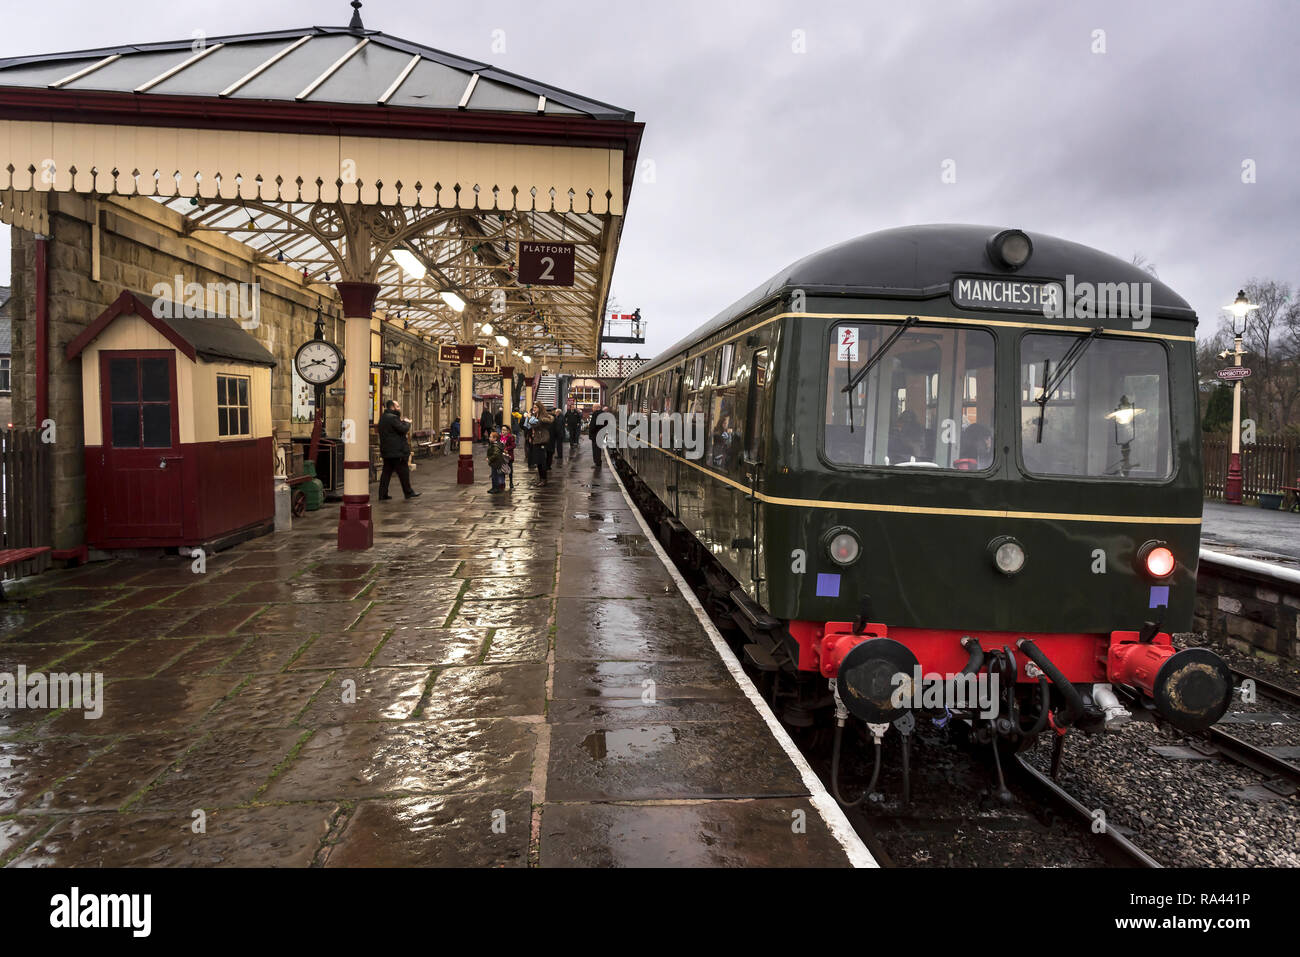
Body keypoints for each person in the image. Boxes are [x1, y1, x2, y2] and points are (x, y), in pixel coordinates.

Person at [377, 399, 420, 500]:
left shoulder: (383, 417)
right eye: (398, 406)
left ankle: (382, 494)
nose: (399, 408)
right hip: (397, 452)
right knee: (403, 472)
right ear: (392, 407)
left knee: (386, 473)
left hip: (387, 451)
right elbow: (403, 429)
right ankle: (408, 492)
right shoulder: (393, 418)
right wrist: (408, 423)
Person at [527, 402, 555, 485]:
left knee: (542, 461)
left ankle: (544, 479)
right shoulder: (535, 416)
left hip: (542, 440)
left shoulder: (542, 417)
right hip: (536, 440)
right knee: (538, 461)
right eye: (533, 407)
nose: (534, 409)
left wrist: (531, 419)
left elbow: (539, 423)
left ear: (540, 408)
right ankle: (541, 479)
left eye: (535, 407)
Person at [589, 404, 607, 469]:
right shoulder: (603, 414)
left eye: (593, 407)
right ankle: (598, 462)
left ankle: (597, 463)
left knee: (595, 449)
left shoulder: (595, 414)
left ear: (596, 408)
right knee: (598, 449)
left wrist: (591, 431)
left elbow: (593, 425)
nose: (592, 409)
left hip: (595, 434)